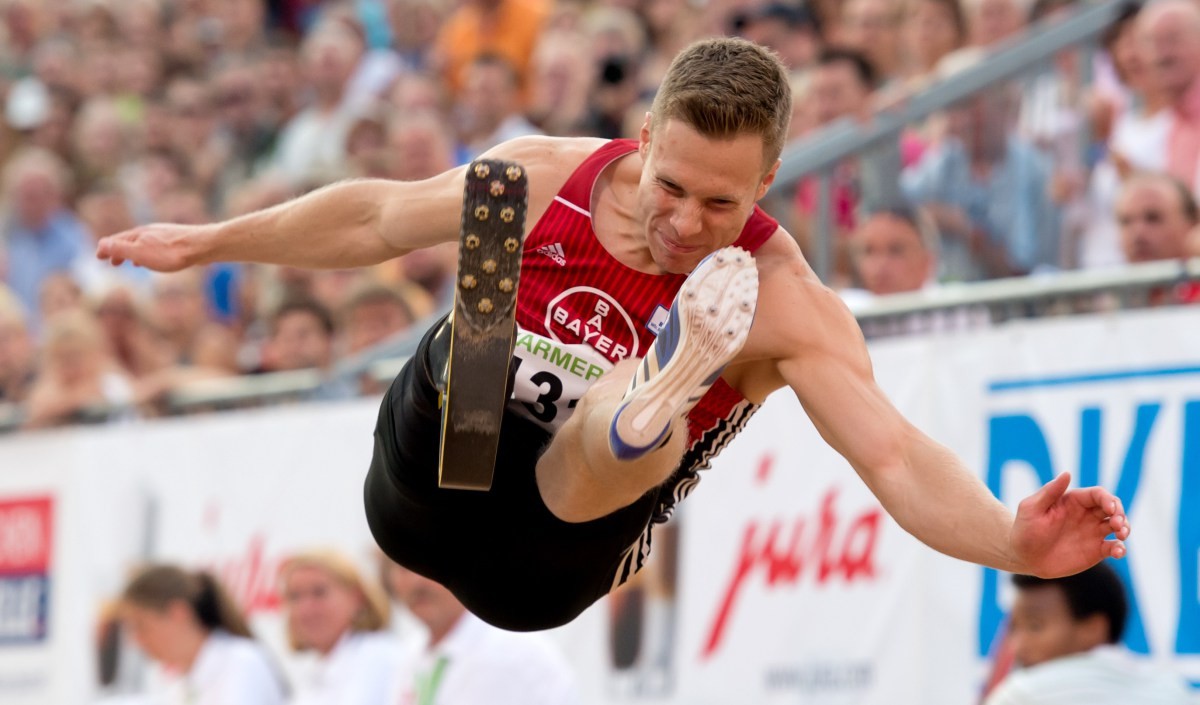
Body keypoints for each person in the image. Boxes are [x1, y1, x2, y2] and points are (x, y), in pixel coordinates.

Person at [97, 37, 1130, 633]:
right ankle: (611, 387)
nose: (683, 226)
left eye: (720, 208)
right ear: (641, 142)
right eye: (669, 188)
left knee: (637, 426)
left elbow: (896, 454)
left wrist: (1010, 541)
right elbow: (376, 218)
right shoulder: (546, 171)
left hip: (554, 555)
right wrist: (211, 243)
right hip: (429, 481)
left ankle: (653, 395)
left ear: (768, 184)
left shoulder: (786, 302)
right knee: (489, 271)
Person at [982, 563, 1192, 705]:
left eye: (1035, 626)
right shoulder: (1173, 691)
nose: (1017, 645)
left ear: (1094, 628)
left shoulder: (1022, 694)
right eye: (1014, 628)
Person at [381, 558, 580, 705]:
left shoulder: (515, 650)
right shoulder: (409, 655)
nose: (418, 581)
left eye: (428, 566)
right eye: (404, 567)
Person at [118, 564, 287, 705]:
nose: (136, 640)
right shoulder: (180, 684)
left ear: (178, 612)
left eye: (141, 626)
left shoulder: (241, 662)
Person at [279, 550, 405, 705]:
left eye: (319, 592)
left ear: (356, 597)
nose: (305, 609)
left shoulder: (379, 656)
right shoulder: (316, 673)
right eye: (295, 597)